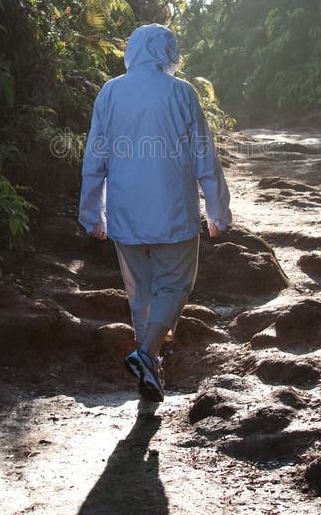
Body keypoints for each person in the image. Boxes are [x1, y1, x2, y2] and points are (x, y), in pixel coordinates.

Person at [78, 23, 231, 402]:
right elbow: (204, 157)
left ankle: (150, 369)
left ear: (132, 50)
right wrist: (217, 211)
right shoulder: (181, 92)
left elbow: (94, 159)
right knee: (175, 286)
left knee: (140, 293)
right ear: (169, 52)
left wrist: (91, 214)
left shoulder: (111, 92)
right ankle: (146, 354)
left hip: (126, 212)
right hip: (174, 211)